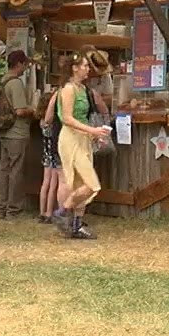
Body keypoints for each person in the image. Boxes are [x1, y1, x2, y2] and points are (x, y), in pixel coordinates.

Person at [51, 53, 109, 239]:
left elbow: (82, 118)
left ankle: (76, 226)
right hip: (70, 139)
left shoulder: (83, 89)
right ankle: (62, 212)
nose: (88, 69)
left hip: (82, 137)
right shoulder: (68, 89)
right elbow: (67, 118)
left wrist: (93, 136)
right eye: (84, 65)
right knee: (92, 185)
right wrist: (92, 131)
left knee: (80, 184)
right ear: (74, 68)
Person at [0, 50, 34, 220]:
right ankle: (13, 209)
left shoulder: (2, 81)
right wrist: (33, 109)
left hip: (4, 131)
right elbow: (20, 110)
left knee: (4, 170)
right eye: (24, 64)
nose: (25, 67)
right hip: (17, 132)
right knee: (16, 171)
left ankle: (1, 207)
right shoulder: (16, 83)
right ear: (18, 64)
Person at [38, 78, 64, 225]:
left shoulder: (42, 122)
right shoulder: (53, 123)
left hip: (45, 154)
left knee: (45, 184)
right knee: (54, 184)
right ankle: (49, 212)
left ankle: (42, 211)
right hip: (53, 154)